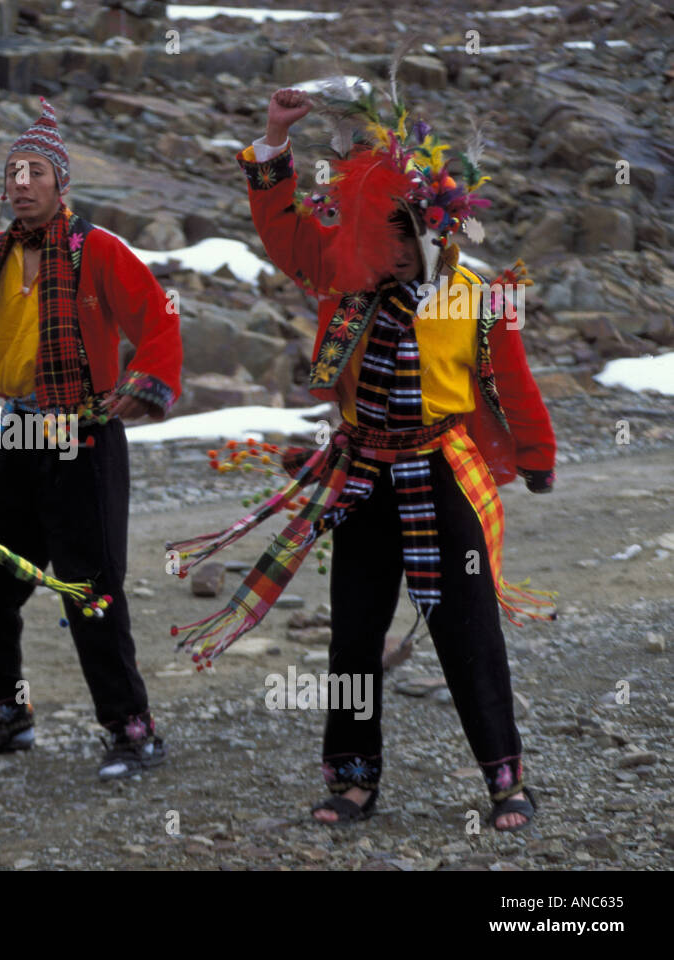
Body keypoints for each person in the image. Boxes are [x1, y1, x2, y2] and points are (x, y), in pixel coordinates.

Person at [170, 86, 556, 831]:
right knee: (354, 631)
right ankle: (352, 779)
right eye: (382, 233)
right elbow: (282, 232)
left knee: (465, 628)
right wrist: (276, 139)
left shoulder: (476, 296)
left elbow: (510, 379)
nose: (395, 250)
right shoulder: (340, 281)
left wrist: (537, 454)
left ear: (437, 234)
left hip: (439, 472)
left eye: (407, 235)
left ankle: (504, 779)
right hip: (364, 475)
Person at [0, 99, 184, 779]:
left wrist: (151, 382)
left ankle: (132, 730)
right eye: (13, 171)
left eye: (36, 171)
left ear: (61, 184)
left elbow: (158, 317)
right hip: (19, 431)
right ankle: (2, 716)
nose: (20, 182)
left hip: (84, 434)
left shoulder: (99, 251)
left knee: (91, 588)